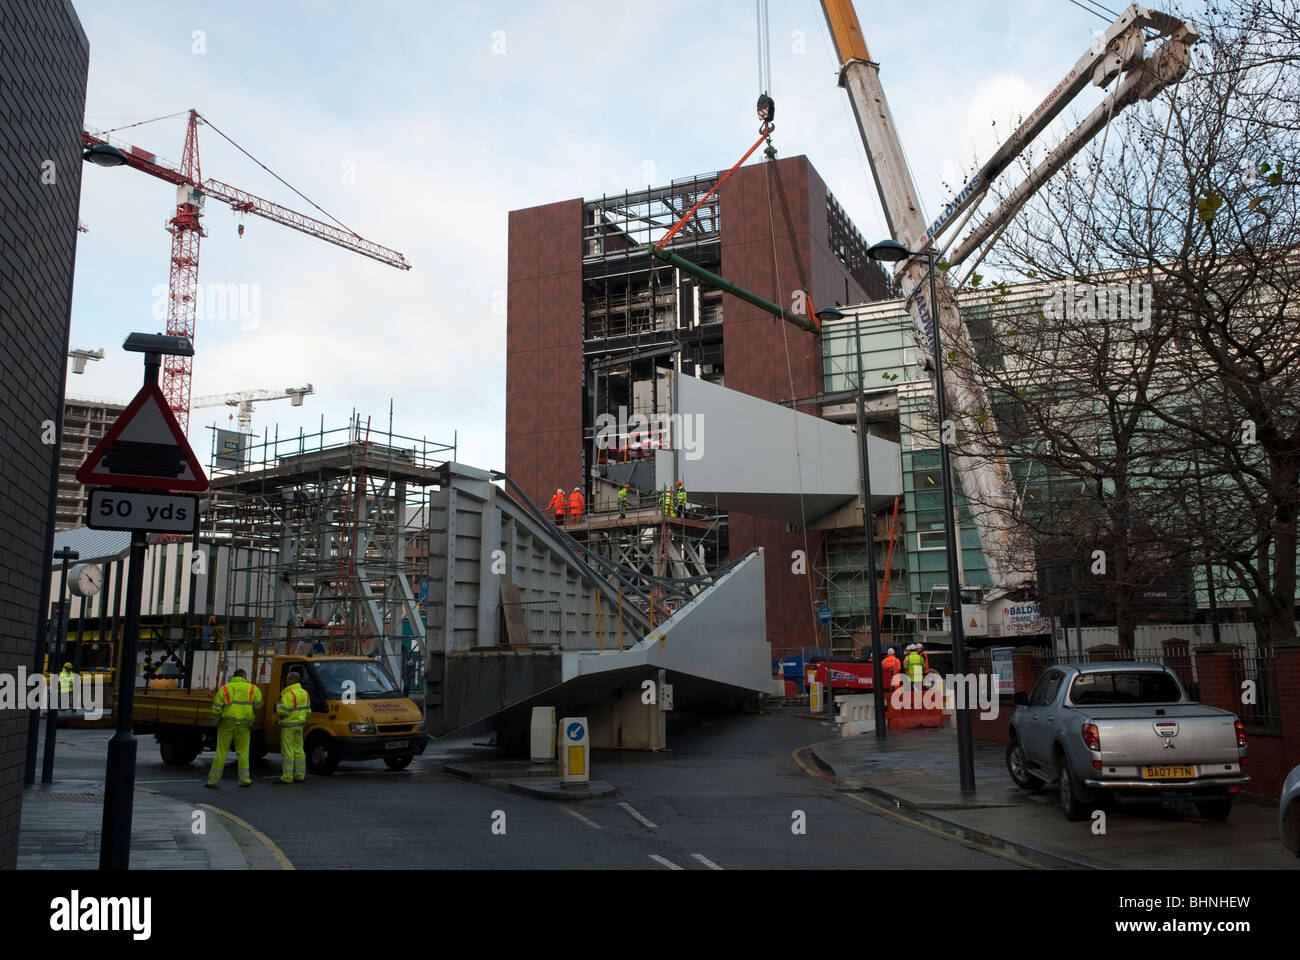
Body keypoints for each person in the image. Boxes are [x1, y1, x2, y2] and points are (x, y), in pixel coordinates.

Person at [206, 668, 263, 788]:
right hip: (244, 725)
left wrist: (216, 721)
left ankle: (213, 781)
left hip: (226, 724)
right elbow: (258, 704)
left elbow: (216, 708)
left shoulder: (225, 689)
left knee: (221, 752)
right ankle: (244, 780)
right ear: (245, 677)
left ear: (233, 676)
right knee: (243, 752)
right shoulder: (253, 689)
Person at [274, 670, 310, 784]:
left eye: (287, 679)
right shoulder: (305, 693)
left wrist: (278, 706)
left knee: (288, 752)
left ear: (291, 680)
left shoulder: (289, 694)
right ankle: (299, 775)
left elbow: (283, 711)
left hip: (288, 726)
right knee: (299, 751)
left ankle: (287, 777)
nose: (286, 680)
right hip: (300, 726)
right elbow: (308, 711)